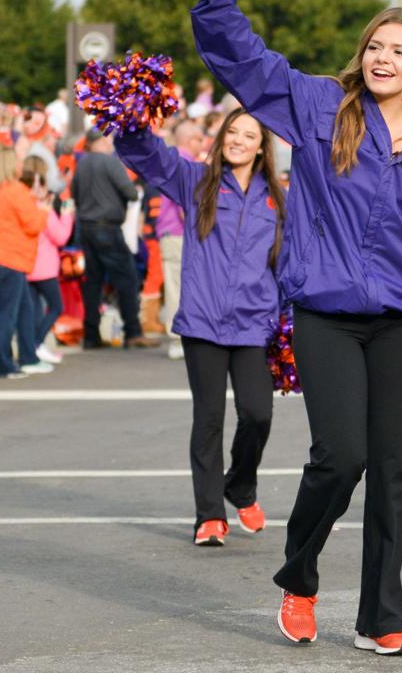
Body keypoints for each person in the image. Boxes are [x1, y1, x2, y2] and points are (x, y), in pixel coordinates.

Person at [191, 0, 402, 657]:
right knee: (341, 456)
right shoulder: (321, 105)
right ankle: (300, 574)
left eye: (398, 50)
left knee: (393, 469)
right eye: (374, 46)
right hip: (325, 313)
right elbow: (243, 61)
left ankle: (381, 616)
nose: (382, 58)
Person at [116, 108, 284, 546]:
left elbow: (290, 264)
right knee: (208, 418)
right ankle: (209, 515)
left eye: (250, 135)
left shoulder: (280, 198)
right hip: (203, 323)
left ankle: (240, 485)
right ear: (221, 136)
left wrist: (289, 321)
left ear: (262, 147)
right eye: (233, 131)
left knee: (258, 414)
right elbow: (150, 158)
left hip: (253, 325)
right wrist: (133, 121)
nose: (239, 140)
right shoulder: (197, 181)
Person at [72, 129, 156, 349]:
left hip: (87, 226)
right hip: (107, 226)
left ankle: (91, 335)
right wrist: (132, 192)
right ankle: (133, 331)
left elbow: (74, 193)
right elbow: (129, 191)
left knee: (93, 282)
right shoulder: (109, 163)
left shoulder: (81, 164)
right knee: (127, 278)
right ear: (99, 141)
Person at [0, 147, 52, 377]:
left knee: (7, 311)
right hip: (10, 256)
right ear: (11, 164)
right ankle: (2, 365)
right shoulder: (15, 191)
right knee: (7, 314)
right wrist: (44, 210)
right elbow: (33, 224)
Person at [156, 119, 207, 360]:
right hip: (178, 232)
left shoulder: (177, 160)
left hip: (172, 233)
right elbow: (184, 205)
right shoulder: (186, 162)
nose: (203, 143)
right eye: (199, 138)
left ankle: (180, 335)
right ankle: (176, 338)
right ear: (189, 140)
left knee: (178, 283)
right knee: (177, 284)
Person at [25, 156, 74, 365]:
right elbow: (61, 236)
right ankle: (36, 342)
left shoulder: (26, 205)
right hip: (44, 268)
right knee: (56, 306)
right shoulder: (43, 209)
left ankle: (36, 345)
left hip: (27, 265)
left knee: (35, 310)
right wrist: (67, 215)